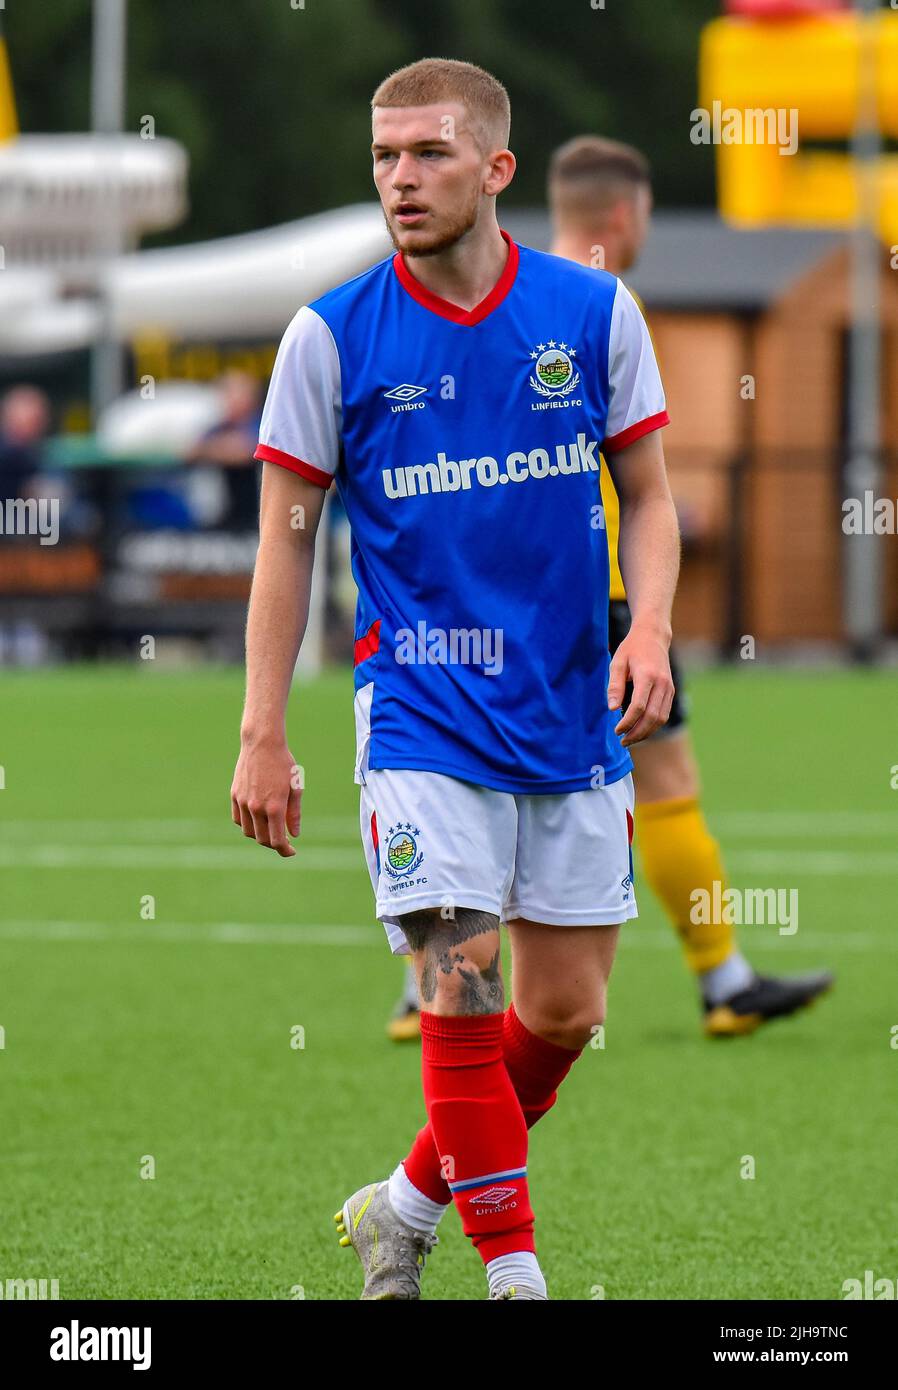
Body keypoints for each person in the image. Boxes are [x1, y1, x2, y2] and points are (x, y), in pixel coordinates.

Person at [232, 58, 679, 1301]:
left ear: (495, 169)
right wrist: (262, 728)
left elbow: (650, 498)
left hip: (571, 713)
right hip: (420, 717)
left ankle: (404, 1203)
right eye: (382, 157)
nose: (398, 179)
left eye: (427, 153)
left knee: (566, 1012)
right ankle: (514, 1275)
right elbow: (283, 547)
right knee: (462, 993)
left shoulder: (592, 315)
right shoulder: (331, 335)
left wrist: (648, 632)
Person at [546, 135, 833, 1035]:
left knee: (474, 785)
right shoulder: (604, 304)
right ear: (626, 215)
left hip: (505, 596)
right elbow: (640, 475)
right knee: (665, 783)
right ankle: (724, 982)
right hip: (604, 597)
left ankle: (424, 991)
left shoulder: (504, 299)